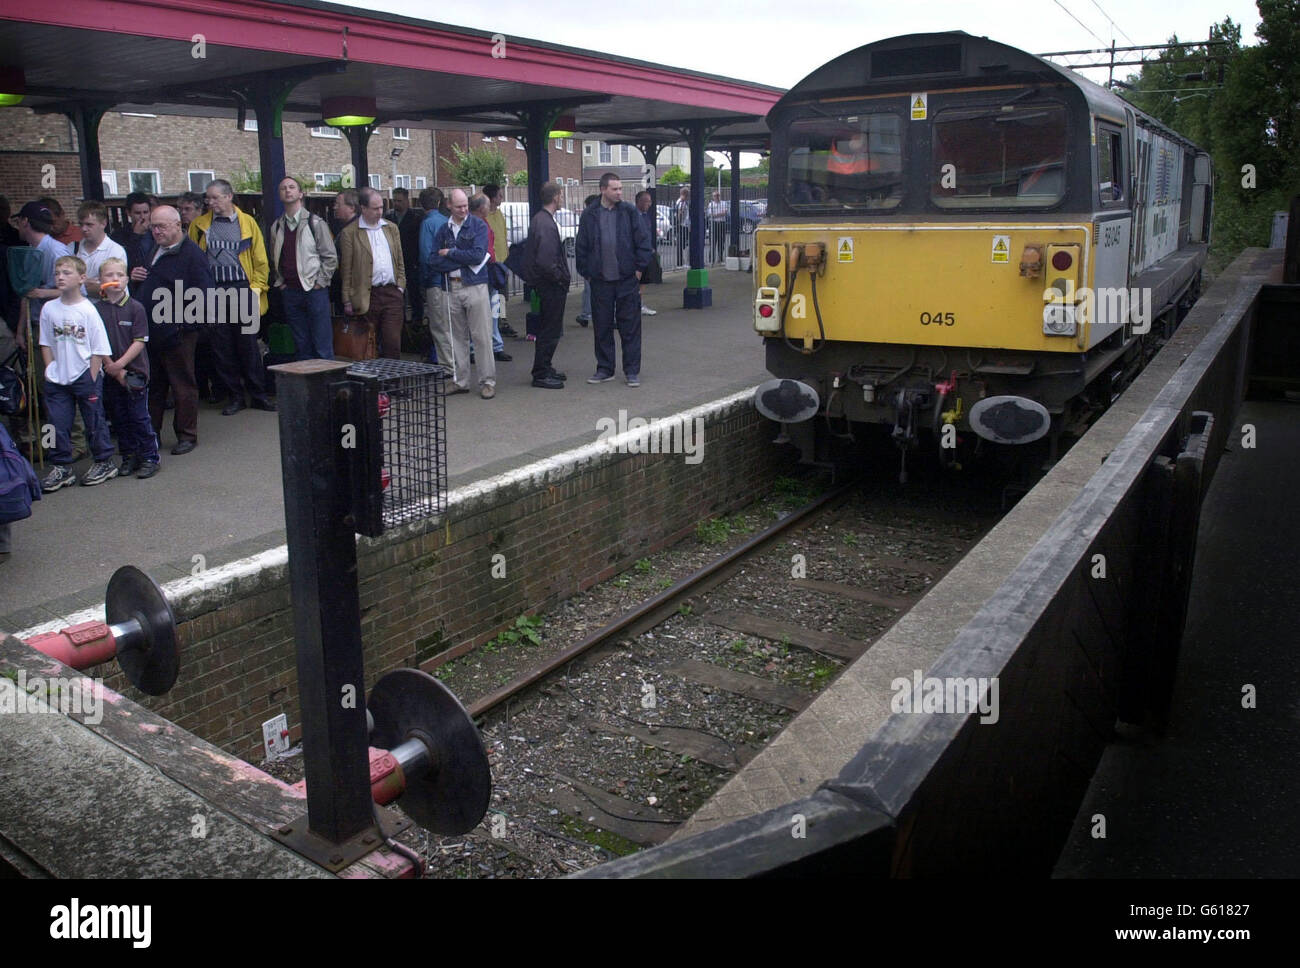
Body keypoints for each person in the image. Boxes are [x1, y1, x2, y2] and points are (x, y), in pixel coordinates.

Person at [189, 178, 274, 414]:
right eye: (208, 198)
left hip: (241, 288)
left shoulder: (247, 223)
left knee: (248, 346)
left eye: (215, 197)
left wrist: (255, 289)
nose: (210, 202)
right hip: (214, 291)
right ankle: (235, 397)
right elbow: (194, 261)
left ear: (229, 197)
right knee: (222, 348)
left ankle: (258, 395)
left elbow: (260, 260)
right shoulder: (199, 225)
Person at [134, 205, 212, 455]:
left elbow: (204, 294)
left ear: (178, 225)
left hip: (178, 332)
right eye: (153, 226)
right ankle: (150, 434)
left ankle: (187, 435)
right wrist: (134, 276)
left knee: (182, 384)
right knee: (154, 385)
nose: (156, 231)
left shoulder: (192, 255)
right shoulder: (154, 250)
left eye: (162, 226)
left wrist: (183, 325)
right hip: (151, 330)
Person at [37, 255, 117, 491]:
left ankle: (103, 460)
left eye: (66, 273)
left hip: (84, 374)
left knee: (94, 420)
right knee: (54, 423)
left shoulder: (88, 310)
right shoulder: (48, 309)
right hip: (57, 377)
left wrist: (92, 376)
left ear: (82, 278)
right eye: (57, 273)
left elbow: (99, 347)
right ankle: (59, 465)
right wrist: (50, 370)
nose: (60, 277)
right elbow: (46, 342)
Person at [574, 173, 652, 387]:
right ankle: (605, 369)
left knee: (631, 327)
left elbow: (644, 242)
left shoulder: (629, 212)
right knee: (602, 326)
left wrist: (637, 270)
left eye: (620, 188)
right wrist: (588, 273)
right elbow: (581, 247)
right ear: (603, 190)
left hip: (627, 280)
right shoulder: (590, 214)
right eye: (615, 189)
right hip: (600, 282)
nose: (619, 192)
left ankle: (632, 371)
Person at [95, 257, 160, 479]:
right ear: (100, 280)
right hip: (110, 373)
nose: (115, 279)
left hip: (135, 373)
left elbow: (139, 341)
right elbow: (96, 342)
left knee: (139, 416)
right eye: (109, 275)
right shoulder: (96, 310)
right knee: (119, 417)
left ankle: (150, 456)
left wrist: (121, 365)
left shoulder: (135, 308)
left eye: (119, 275)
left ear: (126, 279)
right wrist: (110, 366)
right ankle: (129, 455)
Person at [428, 188, 495, 398]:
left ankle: (488, 381)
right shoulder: (443, 230)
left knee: (482, 336)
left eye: (465, 205)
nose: (464, 210)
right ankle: (460, 380)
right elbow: (432, 260)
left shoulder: (478, 225)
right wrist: (459, 258)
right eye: (459, 206)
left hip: (474, 285)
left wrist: (450, 253)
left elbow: (478, 255)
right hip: (452, 285)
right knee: (456, 337)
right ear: (449, 205)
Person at [269, 175, 337, 361]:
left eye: (292, 187)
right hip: (290, 291)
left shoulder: (315, 223)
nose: (287, 190)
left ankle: (325, 386)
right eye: (283, 188)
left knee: (322, 344)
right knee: (301, 345)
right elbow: (275, 258)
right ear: (279, 195)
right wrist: (281, 282)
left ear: (300, 194)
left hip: (314, 290)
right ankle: (306, 388)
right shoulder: (277, 226)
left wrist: (320, 282)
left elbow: (330, 257)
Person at [338, 186, 405, 360]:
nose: (379, 212)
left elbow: (399, 260)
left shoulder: (391, 228)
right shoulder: (350, 233)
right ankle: (372, 385)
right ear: (363, 208)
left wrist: (401, 286)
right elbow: (347, 269)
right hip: (367, 294)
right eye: (375, 208)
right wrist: (347, 300)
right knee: (367, 346)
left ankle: (392, 384)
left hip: (391, 292)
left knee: (392, 343)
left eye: (381, 207)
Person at [522, 181, 570, 389]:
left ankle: (545, 367)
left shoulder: (540, 220)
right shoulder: (546, 223)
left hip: (545, 283)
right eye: (561, 195)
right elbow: (546, 260)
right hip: (550, 285)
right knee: (549, 330)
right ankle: (541, 372)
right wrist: (560, 278)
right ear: (555, 197)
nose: (562, 198)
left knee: (547, 328)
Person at [468, 193, 510, 362]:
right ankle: (482, 347)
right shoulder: (474, 224)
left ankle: (495, 344)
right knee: (484, 312)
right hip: (483, 273)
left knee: (495, 308)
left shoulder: (485, 220)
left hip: (491, 270)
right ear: (481, 208)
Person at [417, 187, 452, 367]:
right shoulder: (447, 222)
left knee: (439, 327)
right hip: (451, 280)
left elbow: (425, 256)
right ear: (439, 203)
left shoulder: (427, 224)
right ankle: (456, 365)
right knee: (451, 325)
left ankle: (447, 367)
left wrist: (424, 281)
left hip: (435, 281)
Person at [482, 184, 518, 339]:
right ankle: (495, 324)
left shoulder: (499, 214)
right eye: (499, 195)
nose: (502, 198)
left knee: (502, 294)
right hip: (493, 263)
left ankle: (502, 321)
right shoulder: (485, 217)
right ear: (492, 198)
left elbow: (503, 235)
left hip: (503, 261)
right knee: (493, 295)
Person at [71, 201, 127, 299]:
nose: (84, 229)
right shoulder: (72, 248)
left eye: (89, 224)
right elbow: (62, 281)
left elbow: (114, 290)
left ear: (103, 223)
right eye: (81, 224)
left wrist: (77, 284)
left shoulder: (115, 251)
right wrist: (86, 284)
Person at [390, 187, 424, 326]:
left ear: (407, 201)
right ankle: (400, 321)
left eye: (400, 201)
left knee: (414, 293)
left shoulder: (416, 218)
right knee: (398, 294)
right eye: (395, 201)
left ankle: (417, 321)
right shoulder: (388, 218)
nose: (396, 203)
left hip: (411, 261)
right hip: (395, 262)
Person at [110, 192, 154, 295]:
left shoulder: (157, 233)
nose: (142, 217)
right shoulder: (119, 235)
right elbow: (117, 262)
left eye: (146, 212)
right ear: (129, 213)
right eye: (137, 213)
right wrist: (136, 235)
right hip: (133, 290)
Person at [574, 193, 598, 326]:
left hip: (591, 261)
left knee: (589, 289)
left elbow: (582, 243)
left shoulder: (587, 219)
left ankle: (586, 314)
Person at [634, 190, 659, 315]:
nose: (649, 204)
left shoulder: (645, 216)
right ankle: (634, 305)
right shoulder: (634, 216)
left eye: (650, 202)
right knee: (635, 282)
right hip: (637, 256)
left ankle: (639, 304)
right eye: (647, 202)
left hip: (646, 254)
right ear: (639, 202)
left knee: (643, 281)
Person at [707, 190, 727, 263]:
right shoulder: (710, 204)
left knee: (721, 242)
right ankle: (711, 260)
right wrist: (719, 214)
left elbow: (725, 213)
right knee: (712, 242)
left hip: (721, 223)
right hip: (713, 224)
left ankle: (720, 258)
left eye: (718, 195)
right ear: (713, 197)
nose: (717, 197)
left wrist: (715, 215)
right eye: (715, 196)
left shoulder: (723, 203)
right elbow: (710, 215)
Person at [674, 186, 690, 265]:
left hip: (683, 225)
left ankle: (681, 261)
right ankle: (680, 262)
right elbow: (680, 212)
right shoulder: (681, 201)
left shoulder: (680, 201)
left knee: (682, 244)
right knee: (681, 244)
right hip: (682, 225)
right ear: (684, 194)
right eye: (687, 194)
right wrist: (679, 223)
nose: (688, 196)